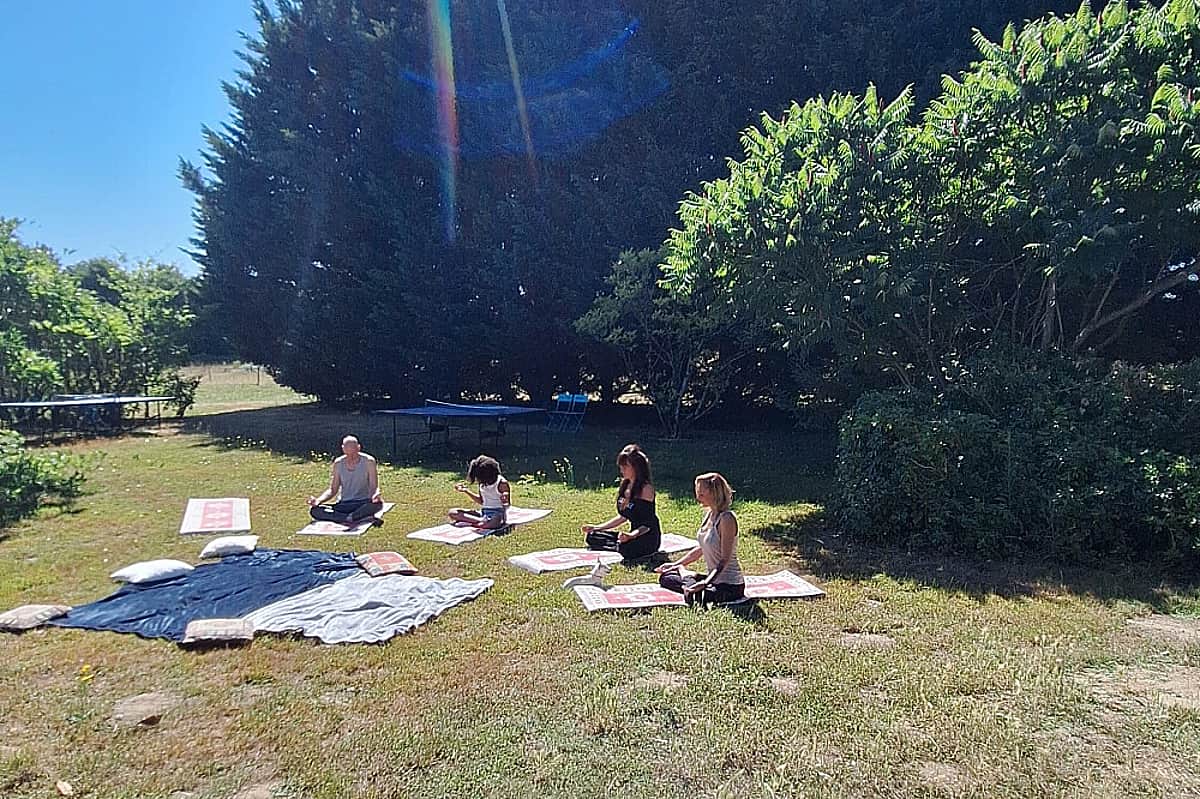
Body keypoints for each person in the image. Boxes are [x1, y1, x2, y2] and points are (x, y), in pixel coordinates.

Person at [655, 472, 745, 606]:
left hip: (729, 585)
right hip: (712, 581)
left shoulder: (726, 519)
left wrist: (705, 582)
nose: (698, 498)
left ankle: (687, 579)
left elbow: (724, 560)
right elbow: (701, 548)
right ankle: (686, 577)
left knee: (699, 596)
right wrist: (675, 564)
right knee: (666, 577)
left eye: (702, 494)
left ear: (715, 493)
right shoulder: (709, 514)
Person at [581, 444, 662, 560]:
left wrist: (631, 535)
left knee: (626, 548)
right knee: (592, 536)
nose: (622, 470)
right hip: (631, 535)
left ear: (636, 467)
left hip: (646, 536)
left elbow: (647, 524)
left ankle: (621, 544)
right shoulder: (625, 485)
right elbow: (623, 516)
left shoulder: (646, 489)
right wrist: (597, 527)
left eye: (625, 466)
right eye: (621, 466)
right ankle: (619, 542)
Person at [307, 435, 384, 526]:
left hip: (362, 503)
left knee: (377, 505)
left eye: (353, 454)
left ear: (359, 448)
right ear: (343, 449)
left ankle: (347, 517)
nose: (351, 457)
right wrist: (318, 501)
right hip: (344, 504)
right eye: (348, 454)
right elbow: (333, 490)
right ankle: (349, 517)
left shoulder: (369, 461)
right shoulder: (338, 463)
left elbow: (373, 486)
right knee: (315, 511)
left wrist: (375, 496)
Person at [449, 454, 511, 529]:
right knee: (453, 512)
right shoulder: (482, 483)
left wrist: (505, 500)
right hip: (483, 513)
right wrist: (466, 491)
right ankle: (481, 521)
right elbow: (482, 501)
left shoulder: (502, 483)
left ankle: (476, 522)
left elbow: (507, 504)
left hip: (497, 514)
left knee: (496, 520)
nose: (479, 480)